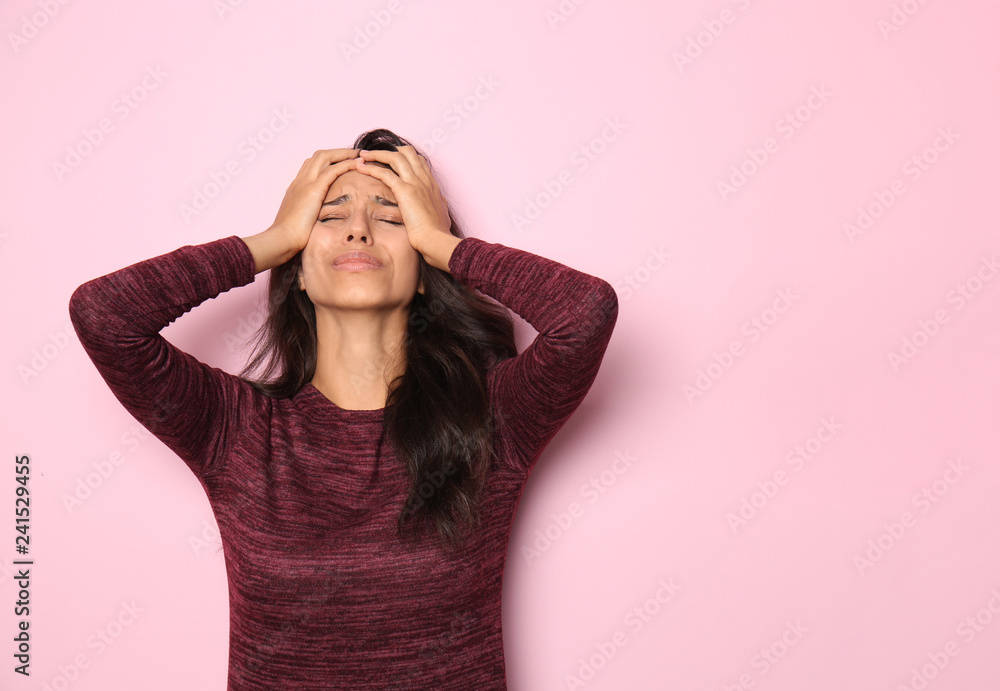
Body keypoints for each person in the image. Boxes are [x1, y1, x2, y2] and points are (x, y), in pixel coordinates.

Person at [68, 128, 619, 689]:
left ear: (428, 271)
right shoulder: (235, 428)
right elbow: (103, 316)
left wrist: (444, 244)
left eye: (392, 216)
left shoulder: (493, 415)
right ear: (298, 271)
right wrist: (270, 240)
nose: (358, 228)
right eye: (329, 216)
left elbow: (586, 313)